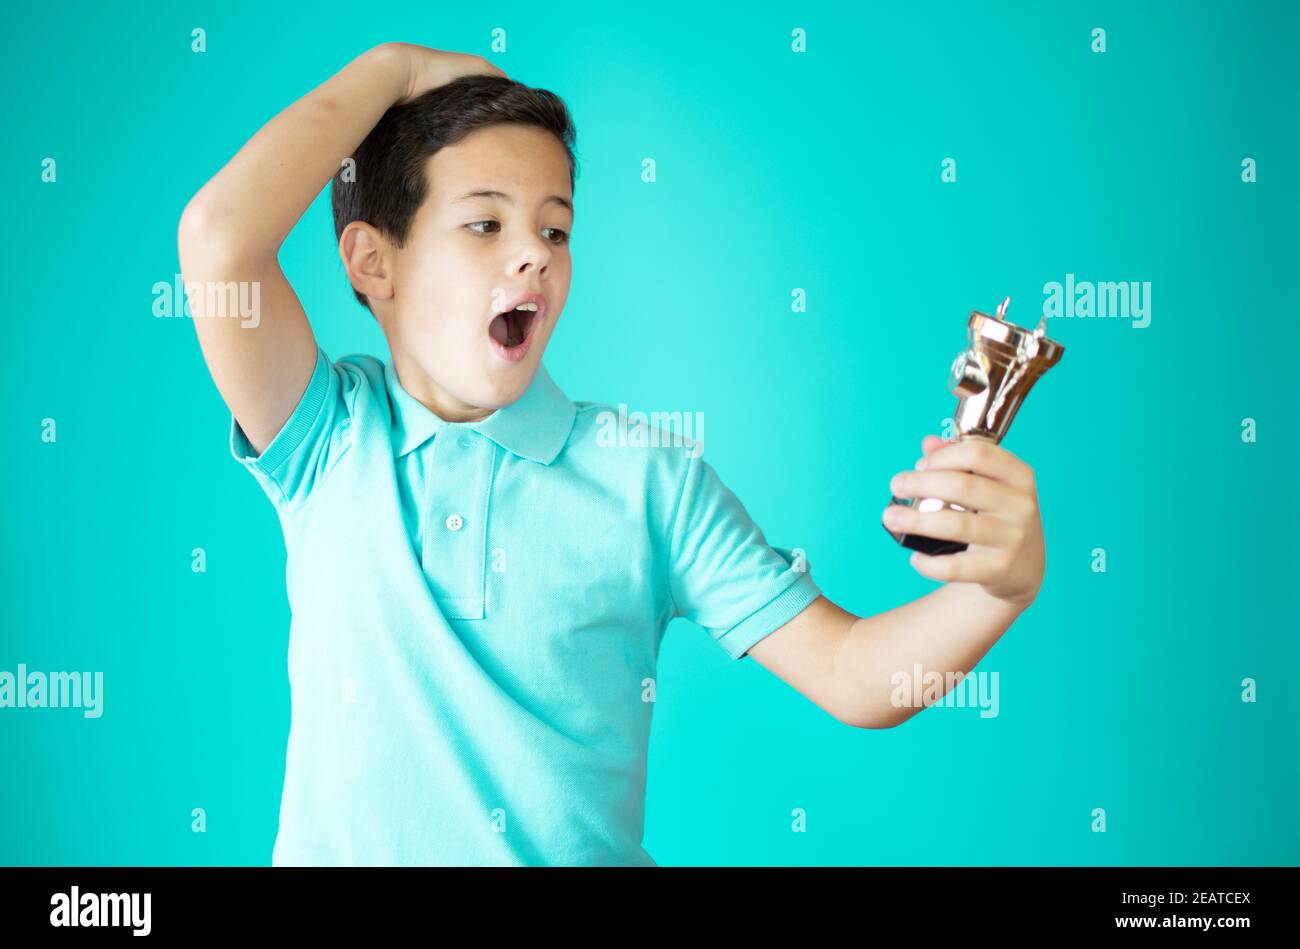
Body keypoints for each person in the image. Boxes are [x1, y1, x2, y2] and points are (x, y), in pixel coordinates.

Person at [177, 42, 1047, 865]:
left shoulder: (647, 478)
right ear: (374, 263)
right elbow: (220, 237)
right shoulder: (327, 436)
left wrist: (998, 590)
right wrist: (393, 67)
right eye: (485, 224)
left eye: (555, 231)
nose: (533, 256)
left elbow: (858, 677)